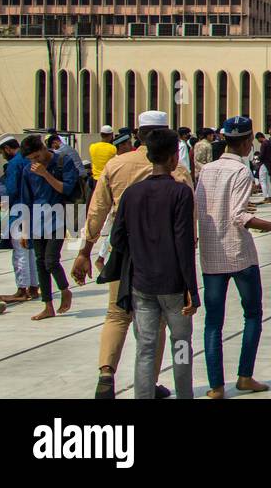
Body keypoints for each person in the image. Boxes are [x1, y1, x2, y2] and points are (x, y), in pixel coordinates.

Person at [72, 112, 191, 398]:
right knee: (165, 332)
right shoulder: (179, 173)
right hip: (166, 263)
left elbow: (97, 211)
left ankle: (106, 373)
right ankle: (153, 384)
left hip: (125, 254)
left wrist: (85, 251)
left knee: (116, 315)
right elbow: (188, 229)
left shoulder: (116, 165)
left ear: (138, 134)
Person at [196, 116, 271, 398]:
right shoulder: (240, 172)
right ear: (249, 142)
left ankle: (215, 386)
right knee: (252, 314)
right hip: (238, 254)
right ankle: (244, 376)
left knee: (213, 322)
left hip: (211, 255)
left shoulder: (207, 171)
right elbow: (239, 216)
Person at [103, 127, 198, 399]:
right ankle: (184, 394)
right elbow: (184, 243)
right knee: (180, 344)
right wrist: (191, 287)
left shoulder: (132, 194)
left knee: (145, 346)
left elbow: (117, 237)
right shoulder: (180, 193)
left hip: (141, 284)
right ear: (172, 159)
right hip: (174, 285)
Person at [13, 134, 80, 320]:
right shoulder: (28, 170)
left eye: (37, 156)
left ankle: (65, 289)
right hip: (36, 219)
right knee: (40, 262)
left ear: (43, 148)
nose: (35, 161)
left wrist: (45, 173)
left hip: (58, 216)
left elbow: (66, 189)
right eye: (31, 159)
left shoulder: (62, 161)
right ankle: (48, 305)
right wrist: (24, 229)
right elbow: (25, 200)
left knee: (51, 260)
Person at [0, 135, 37, 304]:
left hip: (19, 211)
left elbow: (11, 190)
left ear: (6, 149)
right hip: (35, 210)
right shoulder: (30, 159)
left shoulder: (14, 164)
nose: (3, 156)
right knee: (31, 250)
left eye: (1, 152)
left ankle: (22, 289)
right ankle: (34, 287)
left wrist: (3, 204)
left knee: (19, 251)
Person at [88, 125, 117, 198]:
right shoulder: (113, 148)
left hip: (95, 179)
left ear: (101, 134)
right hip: (107, 179)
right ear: (111, 135)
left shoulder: (92, 147)